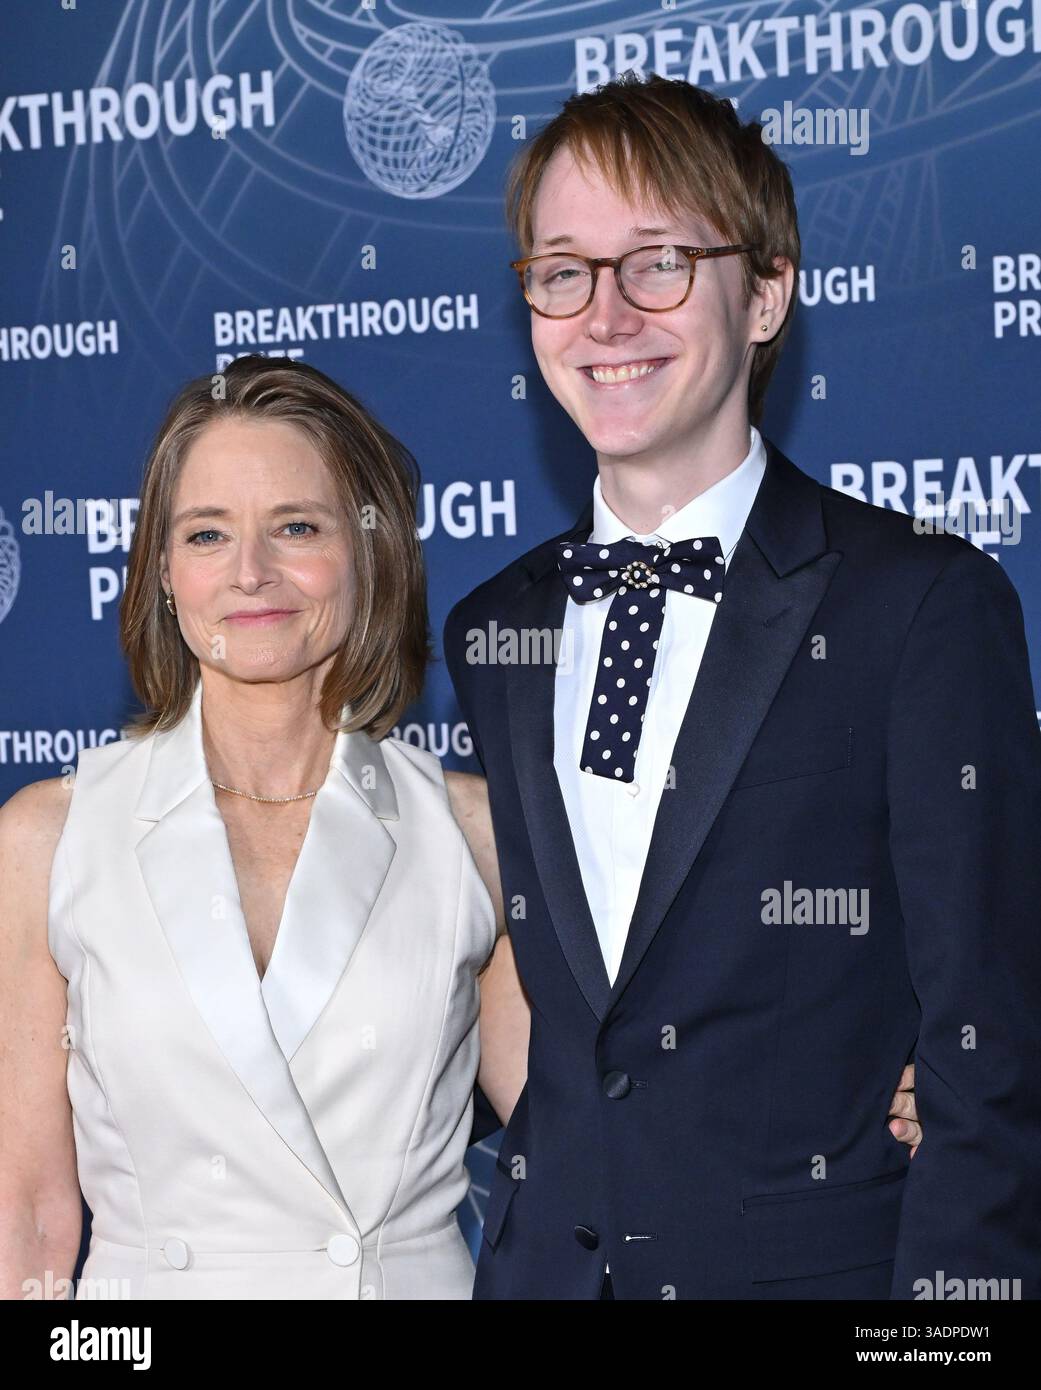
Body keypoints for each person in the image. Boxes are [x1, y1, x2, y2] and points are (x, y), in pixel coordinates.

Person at [444, 73, 1041, 1300]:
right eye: (563, 271)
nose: (605, 315)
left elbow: (990, 1058)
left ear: (766, 291)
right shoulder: (495, 628)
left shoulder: (919, 605)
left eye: (657, 261)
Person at [0, 354, 528, 1301]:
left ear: (370, 553)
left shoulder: (474, 835)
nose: (250, 572)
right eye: (206, 534)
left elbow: (590, 1145)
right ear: (163, 574)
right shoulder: (48, 839)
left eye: (296, 526)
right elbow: (30, 1210)